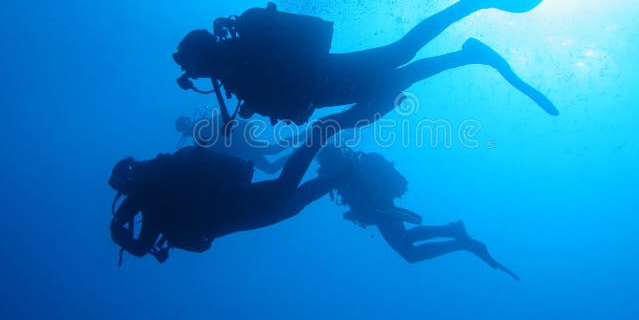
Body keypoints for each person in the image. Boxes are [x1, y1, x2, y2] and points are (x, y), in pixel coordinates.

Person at [173, 0, 579, 124]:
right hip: (329, 88)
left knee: (401, 55)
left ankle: (469, 7)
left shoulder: (243, 47)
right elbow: (291, 108)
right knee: (402, 73)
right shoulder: (236, 73)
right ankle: (468, 53)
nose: (194, 77)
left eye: (192, 68)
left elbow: (313, 38)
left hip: (328, 76)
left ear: (201, 56)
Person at [109, 99, 394, 264]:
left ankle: (318, 134)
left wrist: (119, 232)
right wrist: (120, 231)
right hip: (221, 220)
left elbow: (142, 244)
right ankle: (336, 174)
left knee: (283, 189)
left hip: (223, 202)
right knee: (288, 204)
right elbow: (143, 245)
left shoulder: (152, 190)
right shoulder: (148, 198)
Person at [311, 145, 520, 280]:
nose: (321, 166)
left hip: (383, 210)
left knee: (409, 253)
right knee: (407, 242)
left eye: (322, 162)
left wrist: (363, 209)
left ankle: (458, 239)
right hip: (382, 210)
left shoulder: (345, 170)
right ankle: (453, 232)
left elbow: (365, 192)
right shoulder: (348, 167)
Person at [175, 109, 291, 174]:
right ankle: (297, 149)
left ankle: (299, 146)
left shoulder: (202, 131)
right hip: (241, 148)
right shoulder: (200, 135)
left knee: (272, 156)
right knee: (272, 158)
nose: (188, 129)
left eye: (185, 127)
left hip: (242, 145)